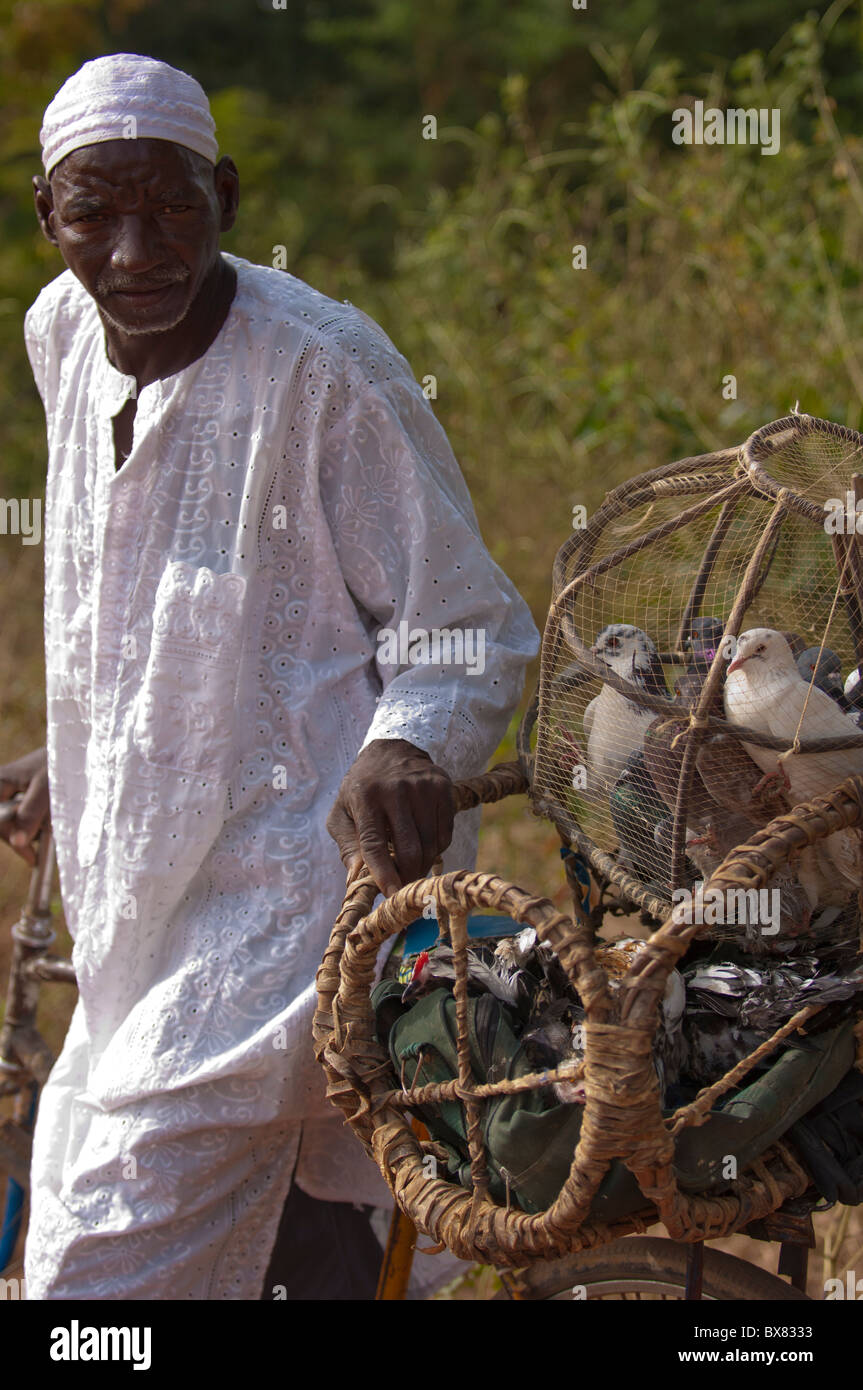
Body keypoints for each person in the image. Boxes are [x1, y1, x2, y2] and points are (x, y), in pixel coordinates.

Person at [0, 53, 539, 1299]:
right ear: (47, 218)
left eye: (171, 204)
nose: (135, 249)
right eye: (95, 211)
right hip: (131, 898)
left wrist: (410, 741)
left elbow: (463, 621)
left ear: (226, 197)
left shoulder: (322, 370)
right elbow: (133, 607)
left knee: (96, 1274)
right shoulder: (57, 335)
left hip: (282, 902)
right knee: (301, 1233)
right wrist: (75, 760)